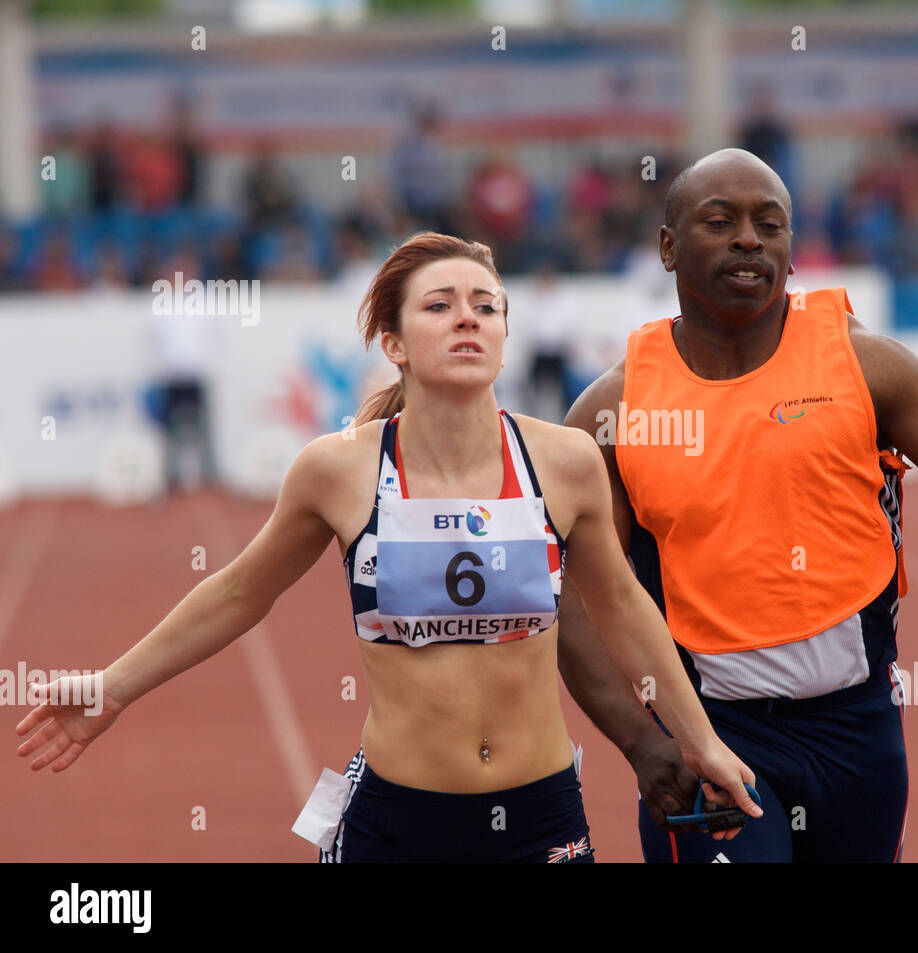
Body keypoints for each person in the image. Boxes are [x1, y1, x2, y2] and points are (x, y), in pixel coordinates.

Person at [15, 232, 760, 863]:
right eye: (440, 306)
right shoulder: (338, 469)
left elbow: (624, 608)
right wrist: (112, 686)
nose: (467, 318)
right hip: (396, 825)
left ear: (505, 333)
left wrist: (701, 742)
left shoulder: (564, 463)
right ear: (394, 342)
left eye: (486, 306)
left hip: (541, 820)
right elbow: (241, 591)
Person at [555, 149, 918, 863]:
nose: (750, 238)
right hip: (712, 733)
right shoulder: (616, 409)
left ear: (793, 253)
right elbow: (572, 593)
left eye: (770, 224)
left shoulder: (866, 365)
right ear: (669, 248)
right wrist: (644, 740)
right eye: (721, 221)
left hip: (858, 731)